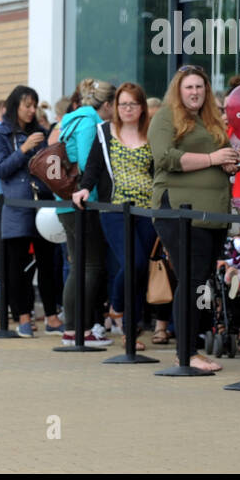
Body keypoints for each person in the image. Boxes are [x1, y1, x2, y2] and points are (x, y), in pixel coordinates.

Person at [149, 66, 239, 372]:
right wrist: (214, 159)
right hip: (179, 211)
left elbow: (216, 156)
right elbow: (164, 158)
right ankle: (185, 353)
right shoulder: (165, 116)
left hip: (213, 215)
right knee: (191, 279)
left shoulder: (210, 118)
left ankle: (192, 349)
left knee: (200, 282)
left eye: (200, 86)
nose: (195, 92)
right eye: (188, 87)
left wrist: (228, 163)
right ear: (178, 89)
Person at [72, 81, 163, 347]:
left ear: (141, 107)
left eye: (132, 104)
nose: (127, 109)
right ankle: (117, 305)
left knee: (141, 268)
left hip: (148, 209)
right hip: (115, 209)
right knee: (132, 263)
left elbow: (160, 169)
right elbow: (93, 166)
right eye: (122, 104)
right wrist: (85, 189)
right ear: (114, 107)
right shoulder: (105, 132)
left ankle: (130, 332)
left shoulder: (152, 132)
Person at [0, 86, 61, 336]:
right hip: (16, 206)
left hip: (42, 203)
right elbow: (1, 169)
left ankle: (52, 317)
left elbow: (52, 171)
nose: (32, 111)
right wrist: (23, 149)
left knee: (48, 263)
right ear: (14, 107)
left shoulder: (42, 133)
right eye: (27, 106)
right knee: (17, 265)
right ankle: (23, 317)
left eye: (34, 106)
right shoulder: (0, 133)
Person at [54, 78, 115, 347]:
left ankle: (73, 329)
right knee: (89, 266)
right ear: (109, 104)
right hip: (82, 200)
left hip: (65, 200)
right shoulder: (91, 122)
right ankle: (79, 329)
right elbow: (87, 163)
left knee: (78, 265)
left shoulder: (72, 118)